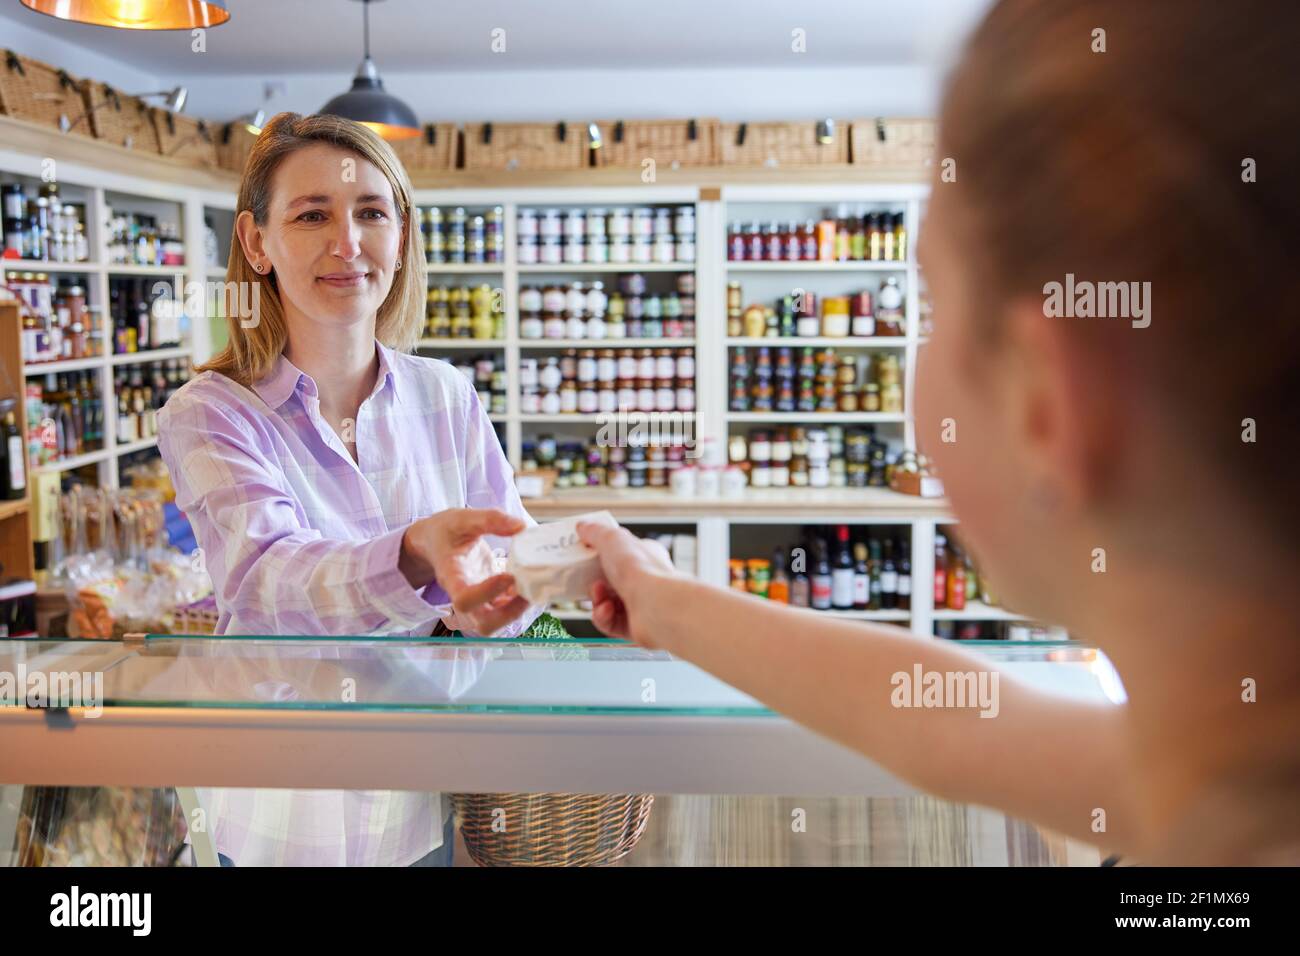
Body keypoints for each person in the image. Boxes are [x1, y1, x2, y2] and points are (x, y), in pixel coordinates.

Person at [576, 0, 1300, 866]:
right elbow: (945, 719)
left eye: (933, 303)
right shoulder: (1213, 766)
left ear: (1042, 403)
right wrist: (662, 600)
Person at [158, 112, 542, 866]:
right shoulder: (209, 413)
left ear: (401, 236)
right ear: (256, 243)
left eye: (371, 212)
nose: (347, 243)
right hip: (277, 812)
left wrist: (511, 594)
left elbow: (510, 561)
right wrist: (416, 557)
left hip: (416, 799)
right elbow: (269, 579)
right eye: (312, 216)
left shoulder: (446, 394)